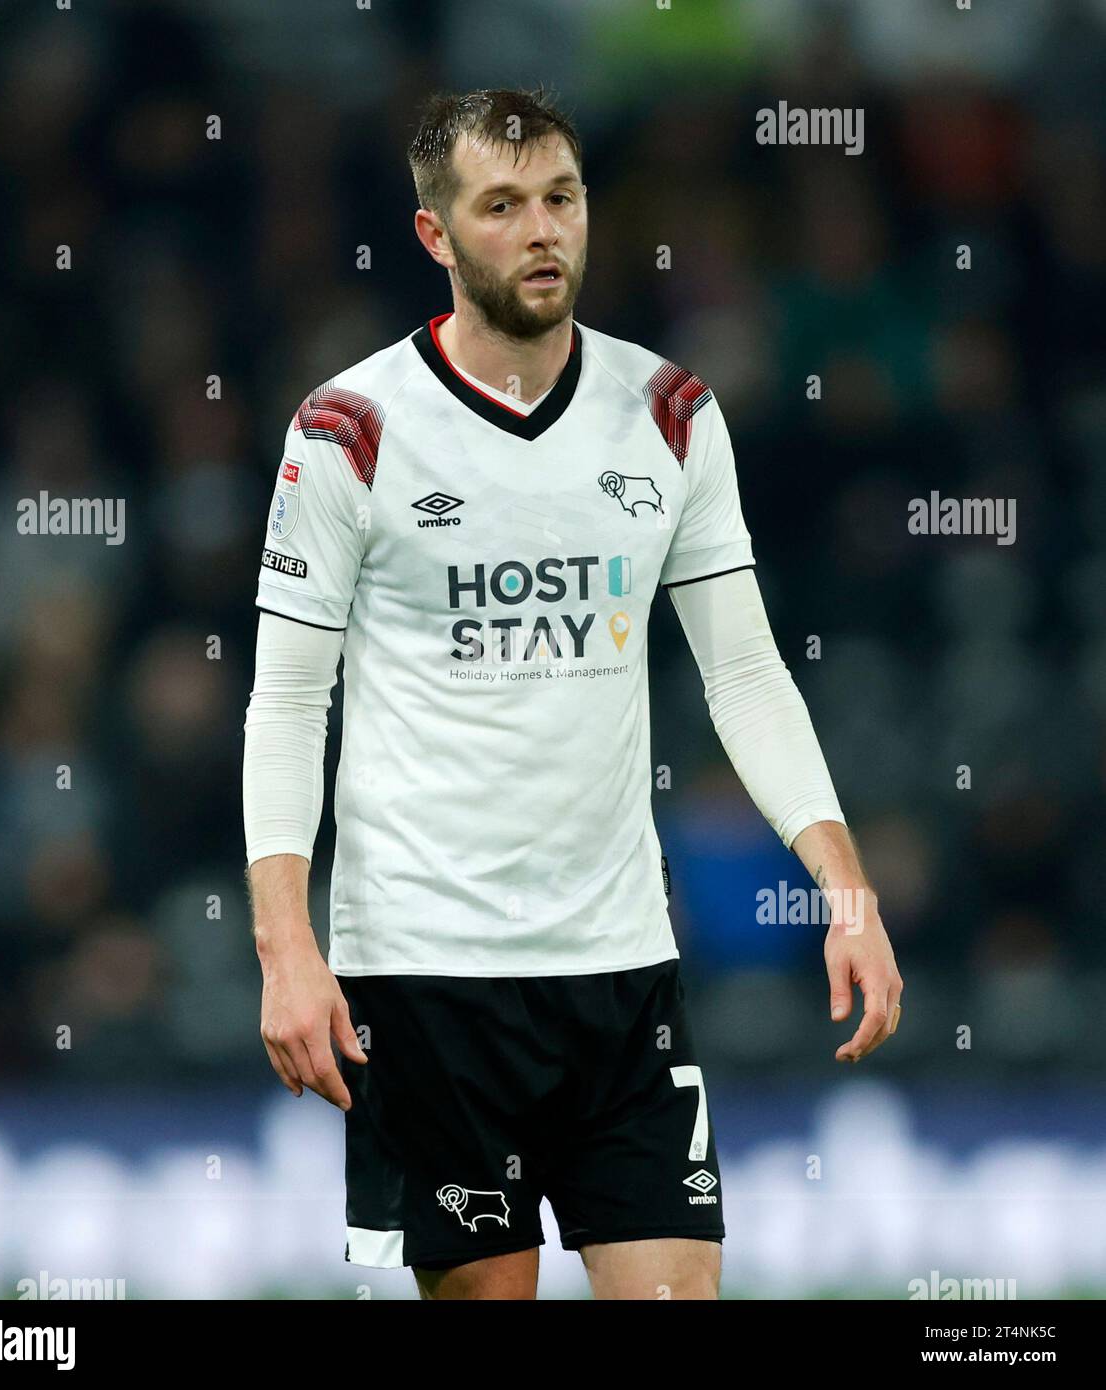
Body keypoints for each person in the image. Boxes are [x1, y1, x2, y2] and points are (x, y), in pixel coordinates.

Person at [242, 86, 903, 1301]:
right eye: (502, 206)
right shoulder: (350, 430)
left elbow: (746, 671)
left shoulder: (669, 414)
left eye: (562, 198)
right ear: (437, 235)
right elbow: (288, 699)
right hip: (429, 967)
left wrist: (844, 886)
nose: (543, 230)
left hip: (620, 960)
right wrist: (287, 943)